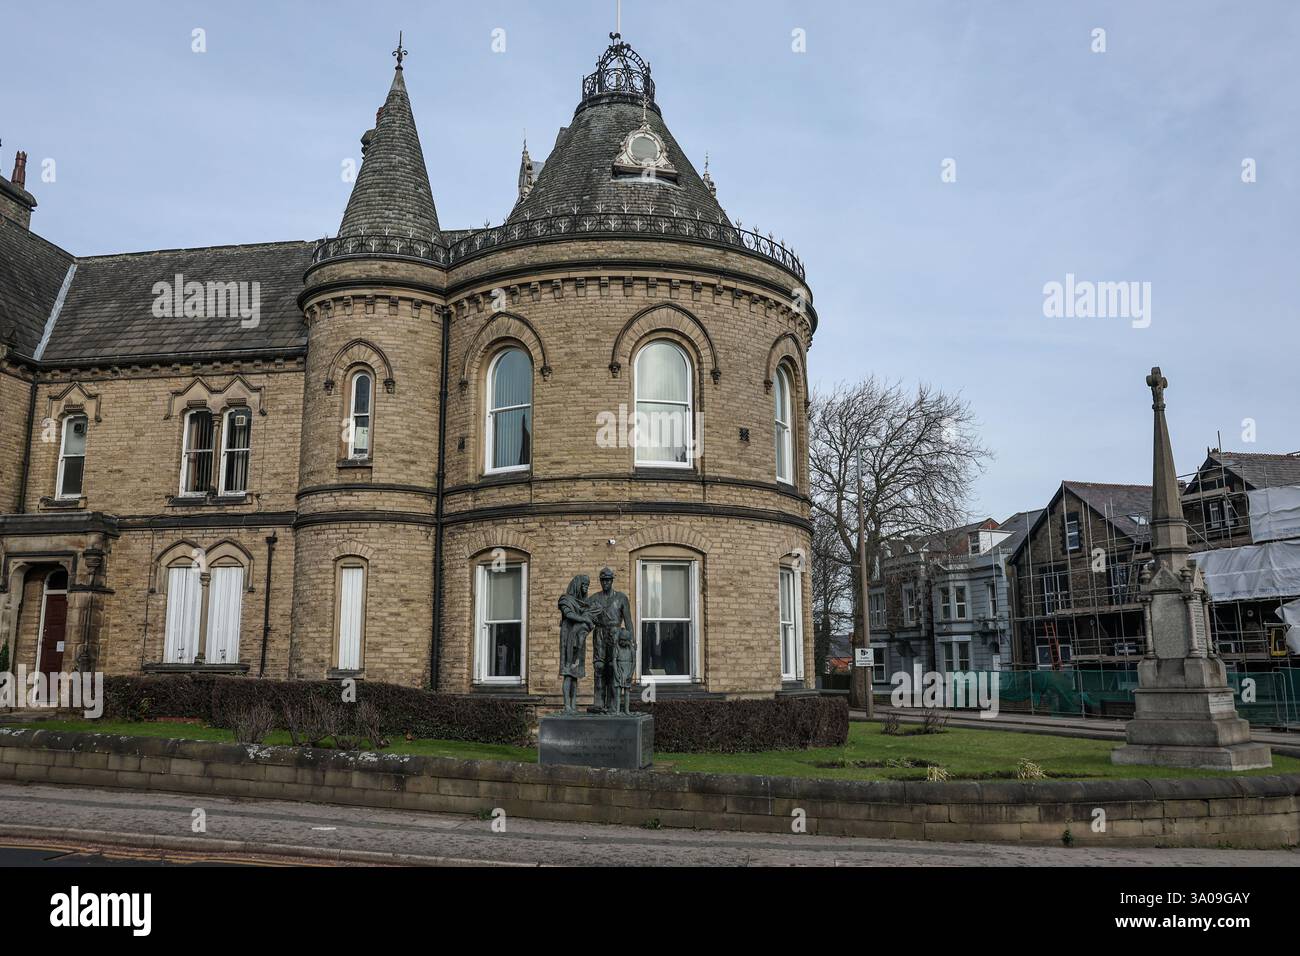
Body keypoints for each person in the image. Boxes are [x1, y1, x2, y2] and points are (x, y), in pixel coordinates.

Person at [587, 567, 632, 713]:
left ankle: (614, 706)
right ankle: (599, 703)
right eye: (603, 580)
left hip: (615, 633)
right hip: (599, 632)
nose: (605, 583)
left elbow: (628, 621)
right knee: (599, 667)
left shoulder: (621, 598)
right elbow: (584, 616)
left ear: (612, 580)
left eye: (608, 580)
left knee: (614, 668)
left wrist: (632, 641)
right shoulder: (594, 598)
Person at [558, 575, 594, 714]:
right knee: (568, 672)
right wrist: (584, 618)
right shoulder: (565, 599)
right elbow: (568, 614)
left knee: (575, 673)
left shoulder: (583, 603)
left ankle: (574, 705)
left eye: (588, 586)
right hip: (568, 638)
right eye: (584, 585)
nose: (586, 588)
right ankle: (567, 705)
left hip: (579, 639)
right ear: (577, 585)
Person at [612, 625, 636, 715]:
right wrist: (616, 672)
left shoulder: (631, 649)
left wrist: (631, 674)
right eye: (621, 640)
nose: (622, 642)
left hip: (628, 670)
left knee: (627, 692)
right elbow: (614, 660)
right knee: (617, 692)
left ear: (628, 641)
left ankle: (627, 710)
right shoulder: (616, 648)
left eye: (624, 640)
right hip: (619, 669)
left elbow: (634, 662)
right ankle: (617, 711)